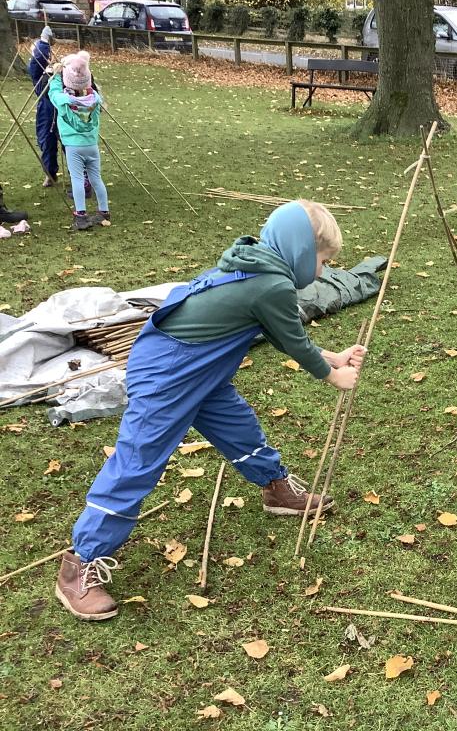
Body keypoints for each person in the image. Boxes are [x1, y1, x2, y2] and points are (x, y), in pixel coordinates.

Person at [55, 200, 367, 621]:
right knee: (139, 461)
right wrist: (333, 376)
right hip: (168, 373)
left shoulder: (258, 264)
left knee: (238, 426)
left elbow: (281, 332)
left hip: (199, 371)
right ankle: (81, 563)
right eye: (324, 260)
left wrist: (331, 356)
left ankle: (276, 488)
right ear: (299, 250)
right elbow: (293, 341)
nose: (324, 272)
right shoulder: (270, 284)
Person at [47, 51, 109, 230]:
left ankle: (81, 215)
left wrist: (59, 74)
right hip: (91, 145)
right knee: (96, 178)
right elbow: (92, 90)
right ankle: (104, 211)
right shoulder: (95, 99)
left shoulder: (64, 101)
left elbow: (53, 92)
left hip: (73, 147)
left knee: (77, 179)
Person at [28, 25, 60, 188]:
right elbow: (35, 64)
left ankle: (82, 178)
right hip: (47, 109)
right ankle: (50, 173)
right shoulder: (39, 75)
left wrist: (44, 43)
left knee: (72, 143)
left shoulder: (62, 72)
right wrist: (43, 42)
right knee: (46, 142)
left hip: (63, 109)